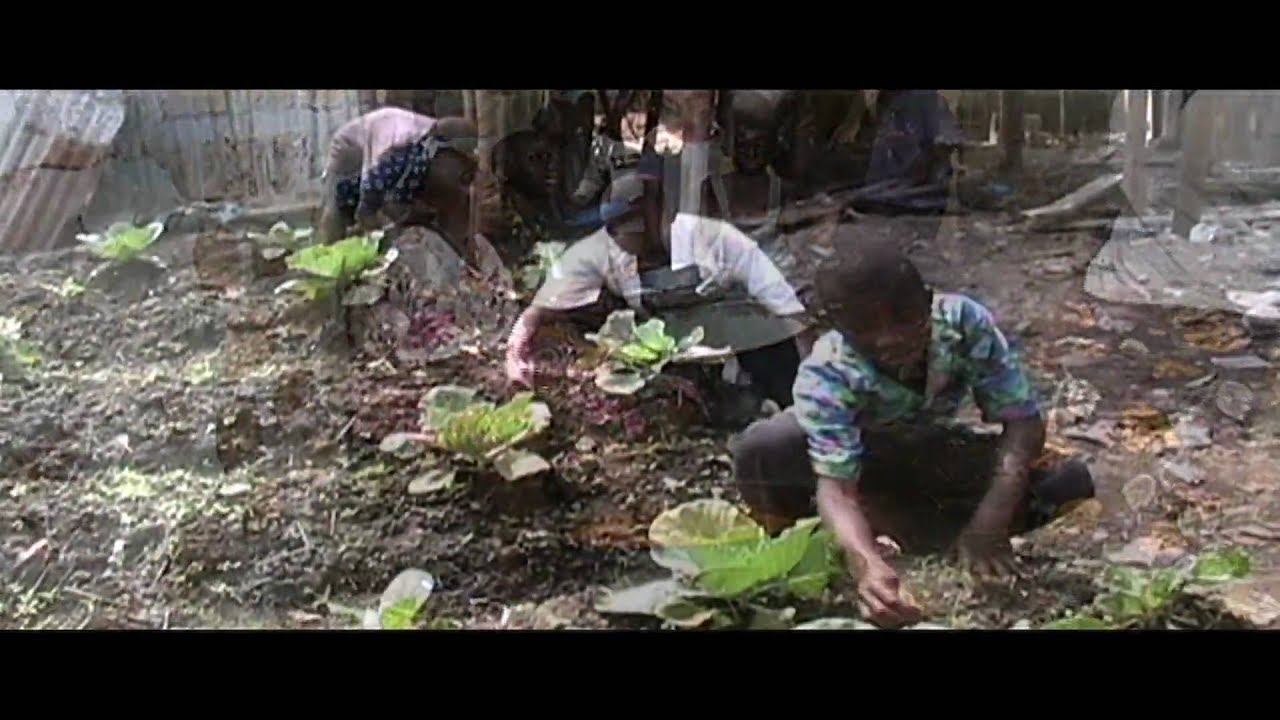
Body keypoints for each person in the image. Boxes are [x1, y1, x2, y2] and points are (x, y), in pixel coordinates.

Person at [730, 239, 1094, 627]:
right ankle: (801, 536)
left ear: (927, 299)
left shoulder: (961, 322)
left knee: (1066, 482)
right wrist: (866, 565)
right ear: (836, 327)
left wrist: (991, 520)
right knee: (764, 446)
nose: (891, 338)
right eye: (866, 330)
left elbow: (1022, 422)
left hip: (920, 447)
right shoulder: (828, 372)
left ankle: (904, 522)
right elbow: (836, 486)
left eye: (906, 319)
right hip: (847, 461)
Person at [505, 153, 813, 409]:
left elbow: (789, 309)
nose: (626, 234)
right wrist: (516, 355)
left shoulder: (716, 241)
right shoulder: (602, 248)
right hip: (679, 358)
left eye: (636, 220)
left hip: (752, 343)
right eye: (619, 226)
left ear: (659, 212)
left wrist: (813, 377)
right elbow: (537, 312)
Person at [318, 107, 478, 245]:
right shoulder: (400, 139)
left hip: (385, 159)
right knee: (337, 208)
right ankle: (327, 255)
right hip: (350, 147)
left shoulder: (426, 146)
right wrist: (369, 214)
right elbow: (375, 180)